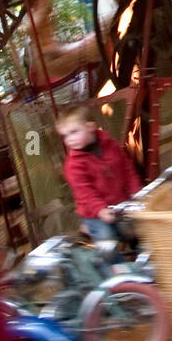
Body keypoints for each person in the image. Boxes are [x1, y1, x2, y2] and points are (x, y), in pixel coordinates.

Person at [57, 102, 140, 240]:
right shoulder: (73, 165)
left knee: (138, 231)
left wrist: (136, 191)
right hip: (94, 214)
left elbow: (127, 169)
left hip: (120, 203)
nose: (69, 140)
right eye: (65, 136)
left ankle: (144, 257)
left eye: (74, 132)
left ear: (90, 127)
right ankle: (112, 261)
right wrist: (100, 209)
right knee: (106, 241)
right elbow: (84, 193)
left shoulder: (111, 145)